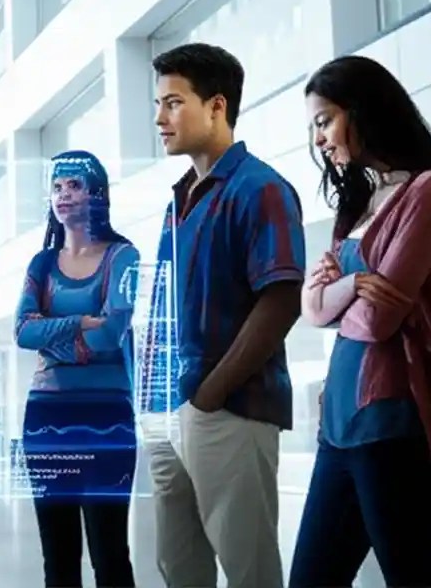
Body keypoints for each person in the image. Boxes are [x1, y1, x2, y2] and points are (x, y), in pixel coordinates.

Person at [289, 56, 431, 587]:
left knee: (414, 578)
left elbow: (379, 321)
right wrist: (355, 284)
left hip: (390, 423)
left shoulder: (430, 192)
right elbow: (312, 311)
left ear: (362, 111)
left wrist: (344, 295)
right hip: (337, 424)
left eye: (324, 120)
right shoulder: (358, 205)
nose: (318, 139)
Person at [146, 43, 305, 588]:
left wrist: (209, 395)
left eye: (172, 103)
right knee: (179, 567)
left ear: (216, 106)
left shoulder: (260, 189)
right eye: (158, 104)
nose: (159, 118)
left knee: (249, 570)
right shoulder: (179, 200)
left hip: (230, 410)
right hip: (170, 411)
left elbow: (282, 298)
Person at [14, 150, 140, 588]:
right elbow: (21, 332)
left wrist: (51, 337)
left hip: (107, 419)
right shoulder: (42, 264)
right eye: (56, 186)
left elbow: (111, 334)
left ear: (97, 193)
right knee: (58, 558)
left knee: (110, 554)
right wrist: (79, 324)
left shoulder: (123, 257)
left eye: (75, 185)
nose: (64, 195)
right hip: (46, 421)